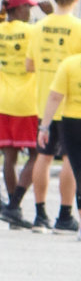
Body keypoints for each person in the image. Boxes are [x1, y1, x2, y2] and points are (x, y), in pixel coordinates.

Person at [25, 0, 81, 233]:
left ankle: (39, 214)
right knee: (70, 159)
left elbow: (29, 65)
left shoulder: (37, 28)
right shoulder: (77, 28)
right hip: (71, 105)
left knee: (43, 158)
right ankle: (65, 215)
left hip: (43, 101)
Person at [0, 0, 39, 224]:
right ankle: (15, 203)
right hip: (27, 102)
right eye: (27, 7)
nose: (30, 11)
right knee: (38, 155)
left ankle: (13, 208)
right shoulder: (30, 31)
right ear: (17, 9)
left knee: (10, 157)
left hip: (4, 102)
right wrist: (48, 15)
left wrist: (2, 12)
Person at [38, 35, 81, 224]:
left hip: (72, 122)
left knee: (78, 171)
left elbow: (55, 97)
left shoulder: (69, 64)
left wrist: (44, 126)